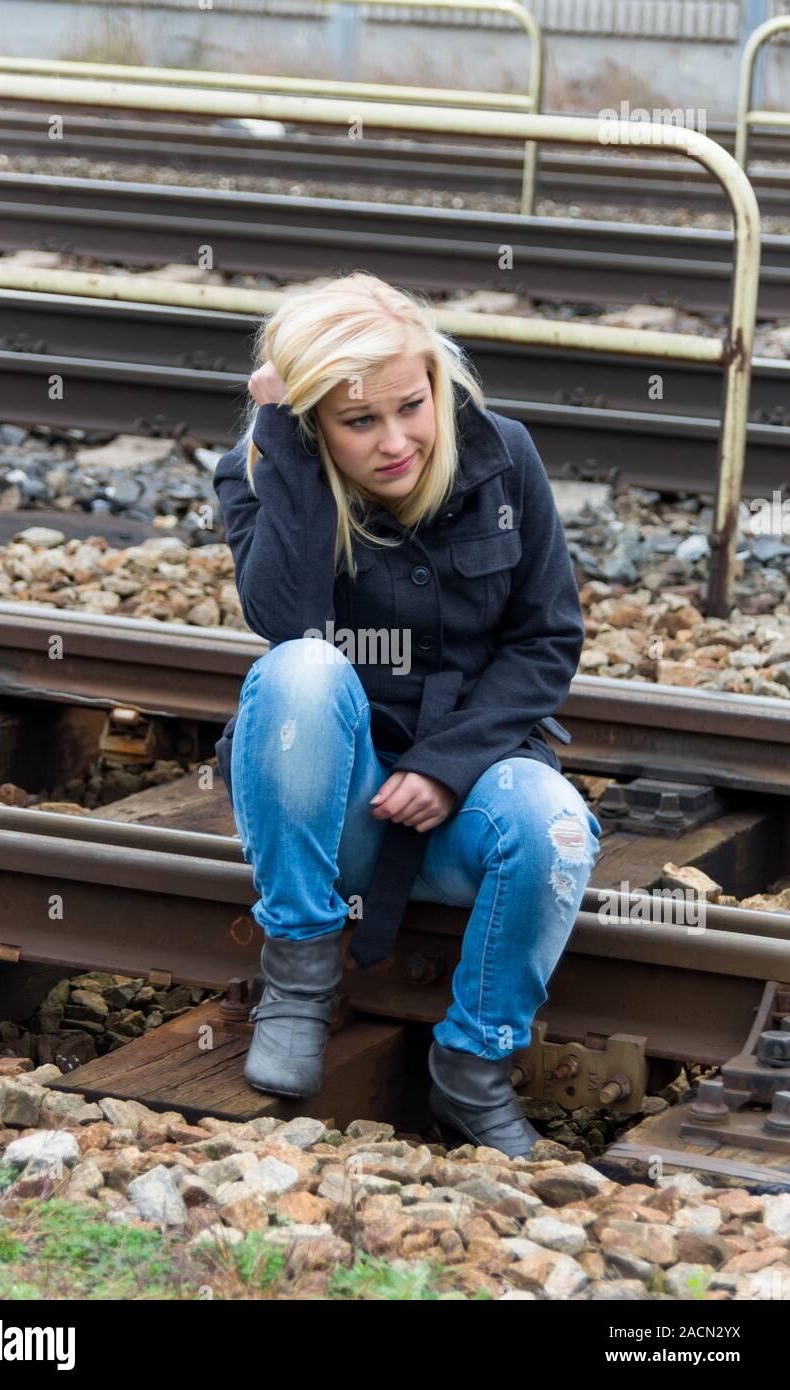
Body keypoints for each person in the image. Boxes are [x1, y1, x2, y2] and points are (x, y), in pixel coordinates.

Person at [212, 272, 602, 1158]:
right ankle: (303, 979)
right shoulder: (260, 474)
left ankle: (471, 1070)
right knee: (300, 669)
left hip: (461, 807)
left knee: (559, 829)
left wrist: (445, 766)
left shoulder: (502, 457)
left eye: (411, 406)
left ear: (436, 382)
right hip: (328, 811)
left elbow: (545, 640)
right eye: (358, 422)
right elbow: (287, 619)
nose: (397, 443)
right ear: (312, 422)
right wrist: (292, 458)